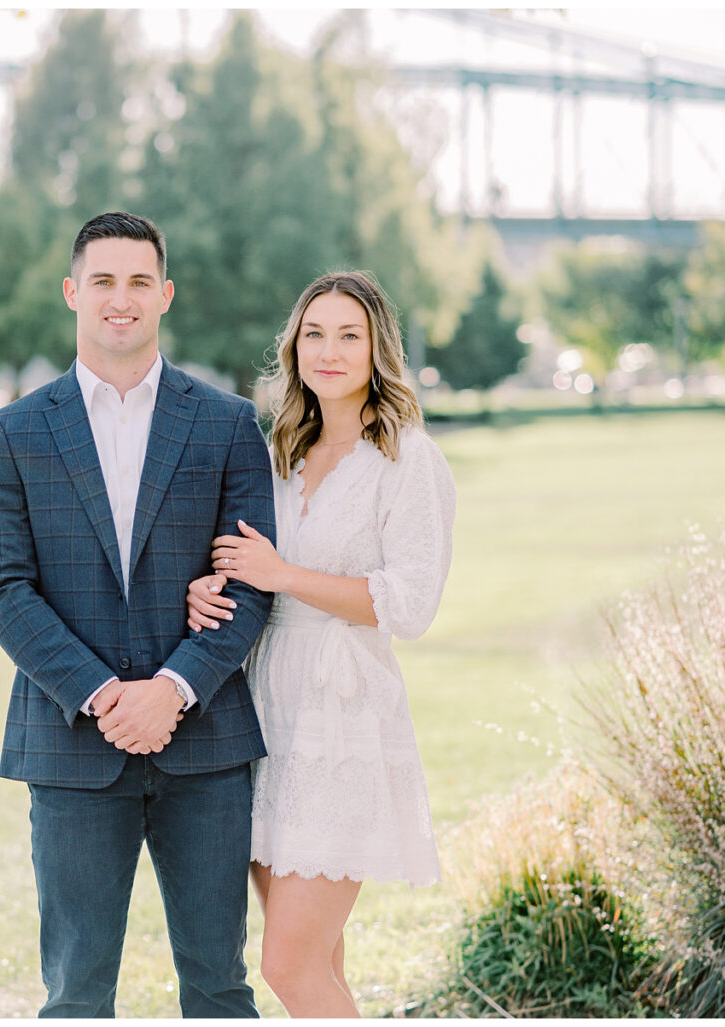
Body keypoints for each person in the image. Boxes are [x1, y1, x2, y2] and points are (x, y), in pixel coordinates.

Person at [0, 211, 277, 1017]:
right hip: (72, 744)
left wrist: (172, 687)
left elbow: (250, 582)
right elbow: (3, 589)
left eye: (140, 281)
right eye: (102, 280)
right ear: (73, 291)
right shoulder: (12, 435)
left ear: (165, 294)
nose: (121, 298)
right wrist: (109, 695)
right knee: (75, 991)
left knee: (219, 983)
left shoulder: (228, 424)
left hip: (205, 745)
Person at [186, 269, 455, 1017]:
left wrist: (282, 572)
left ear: (378, 349)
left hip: (345, 721)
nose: (329, 350)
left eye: (349, 334)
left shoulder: (407, 458)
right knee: (320, 967)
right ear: (294, 347)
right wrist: (215, 589)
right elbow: (248, 570)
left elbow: (409, 602)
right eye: (314, 333)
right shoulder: (279, 455)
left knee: (287, 964)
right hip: (266, 713)